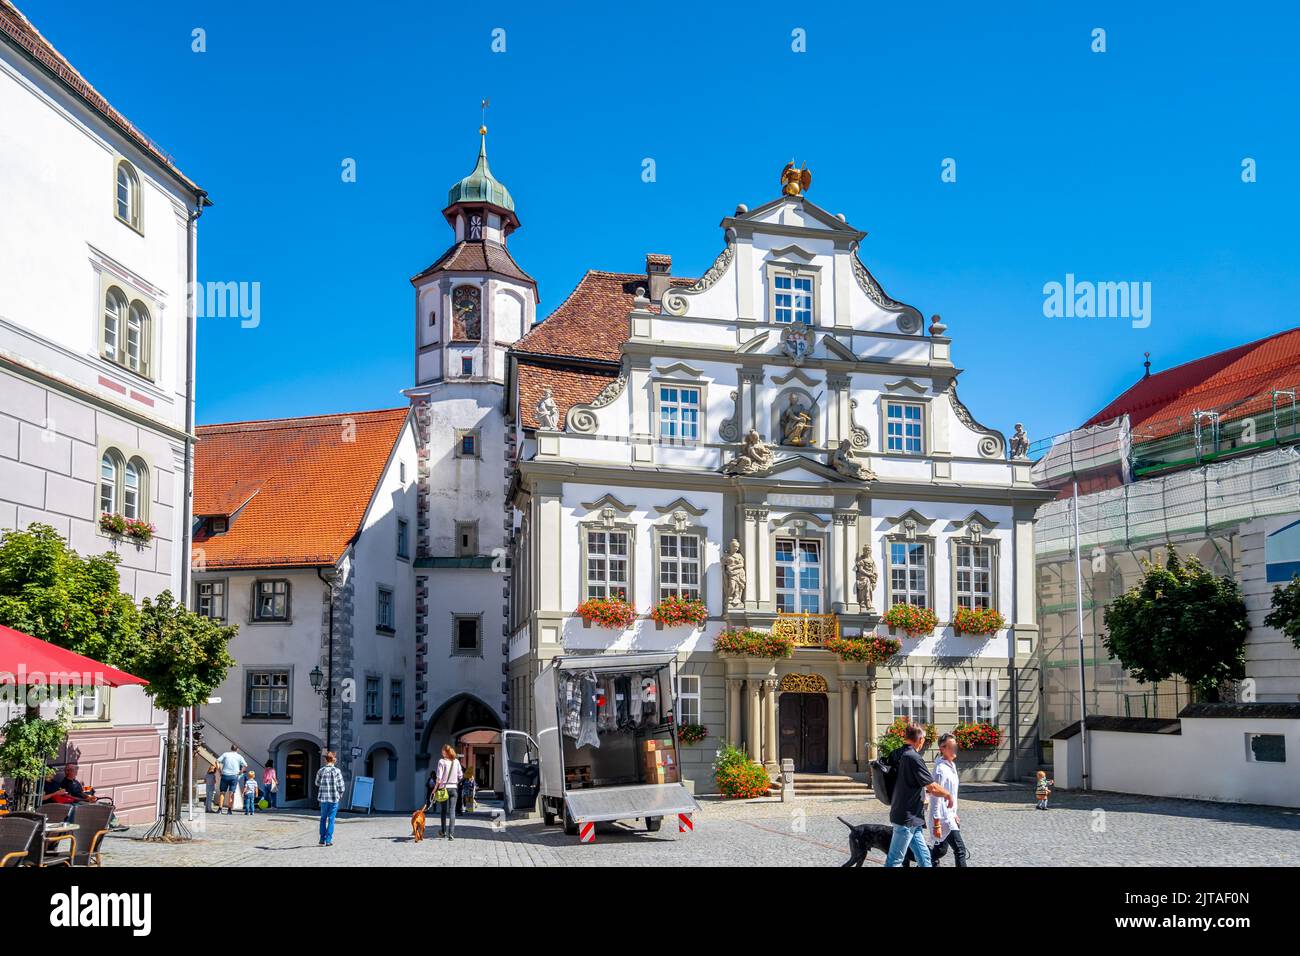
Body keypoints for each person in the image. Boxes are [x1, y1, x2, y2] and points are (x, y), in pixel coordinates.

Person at [884, 724, 952, 867]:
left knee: (925, 858)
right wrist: (948, 794)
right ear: (920, 740)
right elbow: (932, 787)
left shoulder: (897, 753)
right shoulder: (913, 757)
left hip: (911, 817)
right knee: (894, 861)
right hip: (906, 818)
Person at [927, 733, 968, 867]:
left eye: (955, 746)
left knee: (940, 850)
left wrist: (954, 813)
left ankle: (924, 863)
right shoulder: (940, 770)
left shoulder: (951, 766)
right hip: (943, 818)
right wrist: (937, 823)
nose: (955, 749)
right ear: (942, 748)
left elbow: (952, 794)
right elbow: (935, 798)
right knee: (960, 850)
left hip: (950, 815)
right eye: (952, 746)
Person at [432, 745, 463, 840]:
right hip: (454, 789)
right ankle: (451, 834)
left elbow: (438, 778)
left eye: (443, 751)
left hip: (443, 789)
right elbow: (461, 775)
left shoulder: (441, 762)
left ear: (446, 752)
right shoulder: (456, 761)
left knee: (444, 811)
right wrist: (455, 782)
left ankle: (443, 832)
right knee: (452, 811)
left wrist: (434, 789)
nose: (442, 753)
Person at [316, 751, 345, 847]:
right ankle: (328, 840)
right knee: (331, 819)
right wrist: (340, 794)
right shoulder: (337, 771)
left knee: (323, 818)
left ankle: (321, 840)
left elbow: (317, 783)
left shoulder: (321, 770)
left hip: (323, 798)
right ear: (334, 760)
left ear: (326, 760)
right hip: (333, 798)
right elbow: (341, 786)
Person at [216, 746, 247, 815]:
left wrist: (219, 771)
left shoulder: (225, 754)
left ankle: (220, 809)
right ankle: (229, 810)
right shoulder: (239, 756)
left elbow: (217, 761)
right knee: (231, 793)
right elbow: (245, 765)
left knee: (222, 792)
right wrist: (241, 772)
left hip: (225, 775)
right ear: (237, 749)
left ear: (231, 748)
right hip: (234, 776)